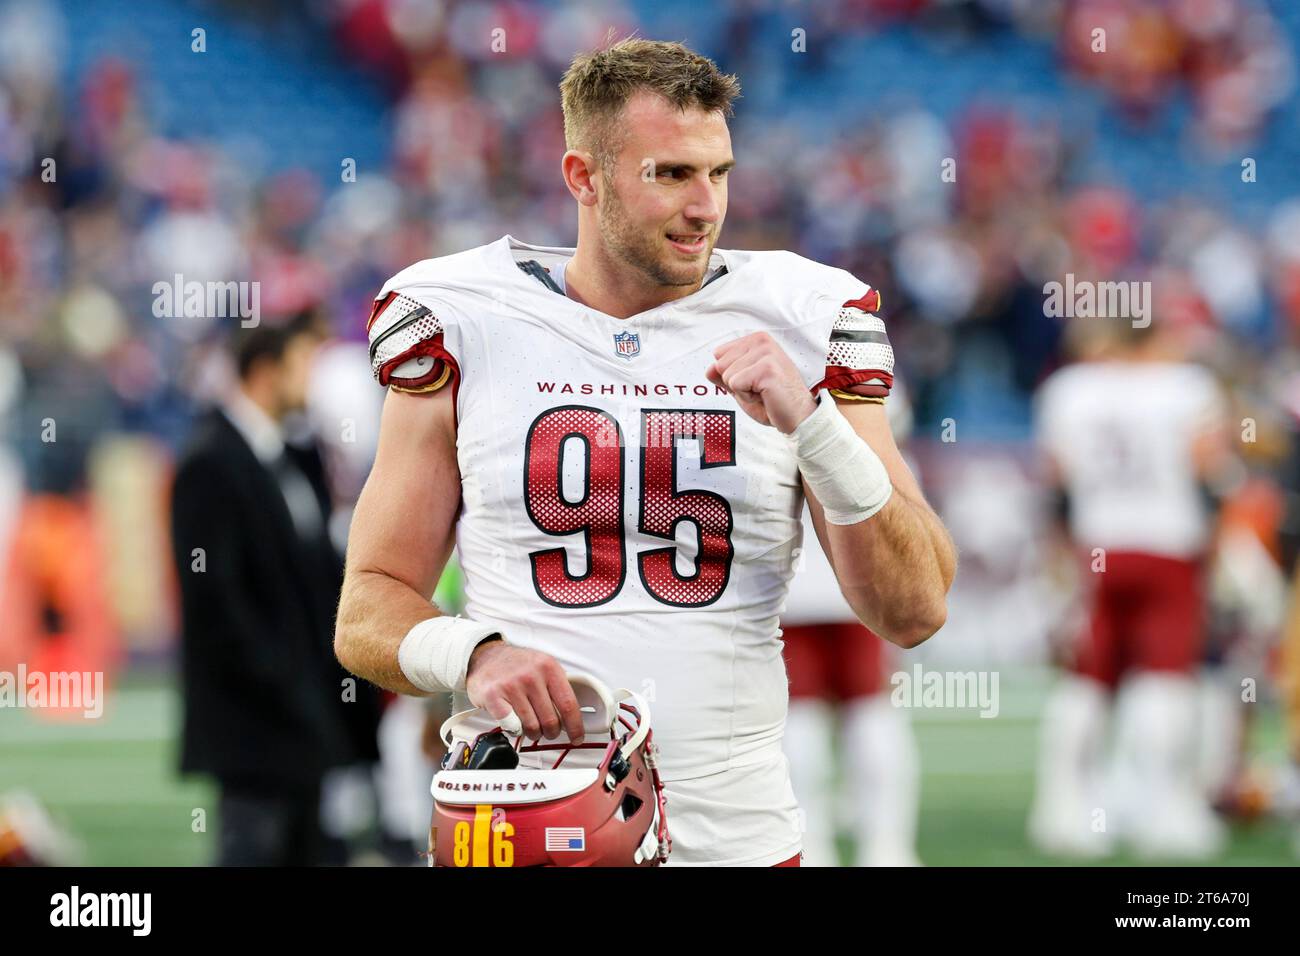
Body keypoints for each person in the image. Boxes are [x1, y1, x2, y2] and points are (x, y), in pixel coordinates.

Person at [334, 38, 956, 867]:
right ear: (583, 178)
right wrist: (473, 654)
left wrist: (813, 425)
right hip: (527, 823)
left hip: (736, 839)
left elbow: (914, 610)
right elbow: (366, 608)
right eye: (670, 174)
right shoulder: (464, 318)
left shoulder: (805, 319)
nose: (706, 206)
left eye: (720, 173)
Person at [171, 313, 379, 866]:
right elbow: (217, 601)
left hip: (306, 723)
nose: (312, 383)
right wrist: (287, 684)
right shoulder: (209, 462)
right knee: (256, 851)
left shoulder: (290, 458)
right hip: (255, 725)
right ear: (264, 371)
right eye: (301, 367)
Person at [1028, 318, 1232, 859]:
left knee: (1089, 677)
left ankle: (1066, 806)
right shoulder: (1188, 387)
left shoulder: (1068, 389)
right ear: (1154, 337)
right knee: (1164, 676)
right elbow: (1209, 465)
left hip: (1098, 546)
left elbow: (1055, 477)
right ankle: (1159, 806)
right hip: (1169, 544)